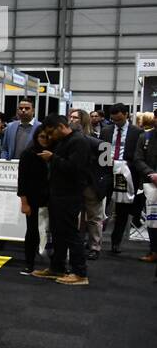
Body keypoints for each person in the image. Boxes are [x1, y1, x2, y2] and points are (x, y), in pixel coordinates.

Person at [32, 115, 91, 285]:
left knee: (71, 233)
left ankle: (80, 273)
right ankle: (57, 267)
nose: (50, 137)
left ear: (60, 126)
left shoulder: (78, 142)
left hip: (69, 195)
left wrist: (53, 158)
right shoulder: (64, 141)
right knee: (58, 233)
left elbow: (76, 170)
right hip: (58, 194)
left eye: (51, 132)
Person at [98, 103, 143, 255]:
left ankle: (116, 242)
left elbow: (138, 156)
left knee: (122, 209)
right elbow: (101, 155)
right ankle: (95, 240)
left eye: (119, 120)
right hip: (108, 172)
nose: (116, 122)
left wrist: (125, 165)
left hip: (125, 174)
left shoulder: (137, 132)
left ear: (126, 115)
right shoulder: (106, 131)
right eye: (113, 120)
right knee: (101, 205)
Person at [68, 108, 106, 259]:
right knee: (75, 217)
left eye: (75, 118)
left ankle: (95, 247)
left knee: (94, 217)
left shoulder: (94, 140)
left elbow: (106, 163)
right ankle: (77, 243)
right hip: (74, 183)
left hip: (90, 184)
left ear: (82, 120)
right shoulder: (68, 138)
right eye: (70, 117)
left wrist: (101, 182)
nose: (71, 120)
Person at [17, 126, 53, 275]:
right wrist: (24, 203)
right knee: (32, 232)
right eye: (42, 137)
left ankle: (56, 265)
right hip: (33, 199)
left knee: (54, 233)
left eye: (48, 137)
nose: (45, 140)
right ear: (37, 137)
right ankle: (29, 263)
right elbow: (22, 181)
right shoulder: (28, 154)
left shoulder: (55, 153)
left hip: (53, 198)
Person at [133, 118, 157, 262]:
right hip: (150, 184)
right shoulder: (145, 137)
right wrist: (151, 174)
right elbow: (138, 159)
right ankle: (154, 250)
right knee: (153, 219)